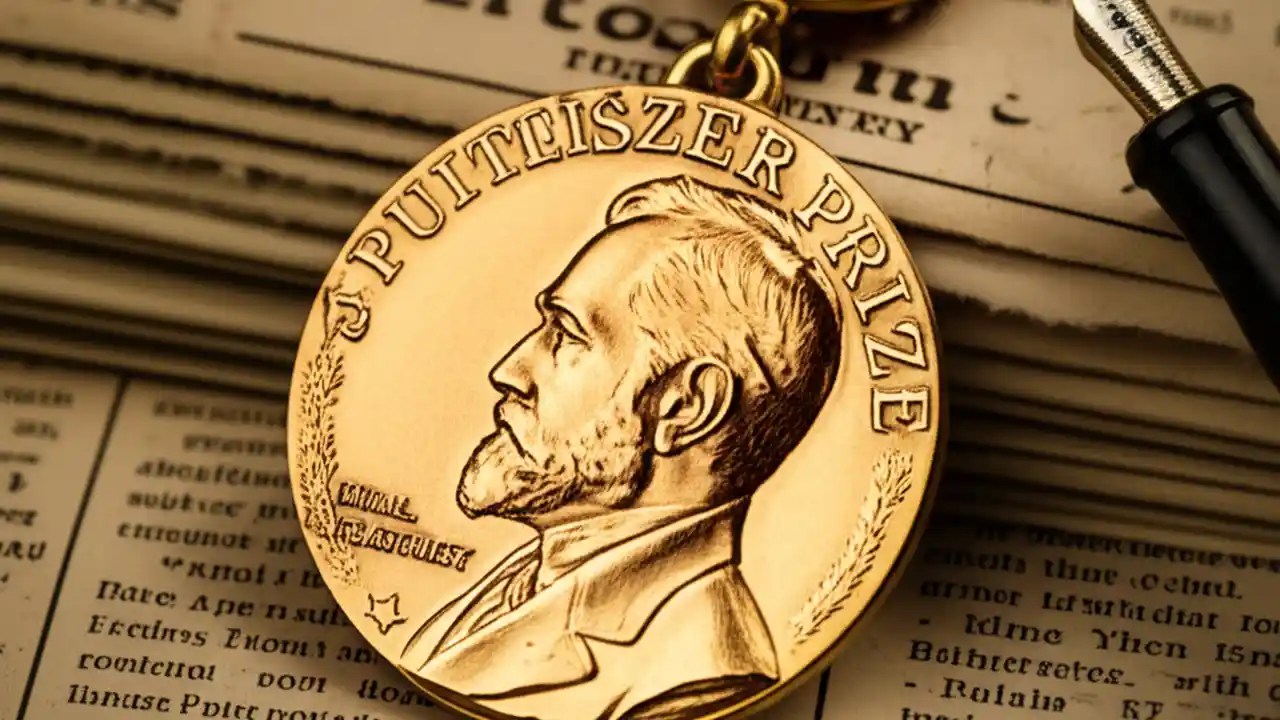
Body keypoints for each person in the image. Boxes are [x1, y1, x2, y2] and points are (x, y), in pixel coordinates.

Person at [401, 175, 842, 720]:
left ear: (684, 407)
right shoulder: (526, 574)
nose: (508, 371)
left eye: (566, 335)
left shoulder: (689, 676)